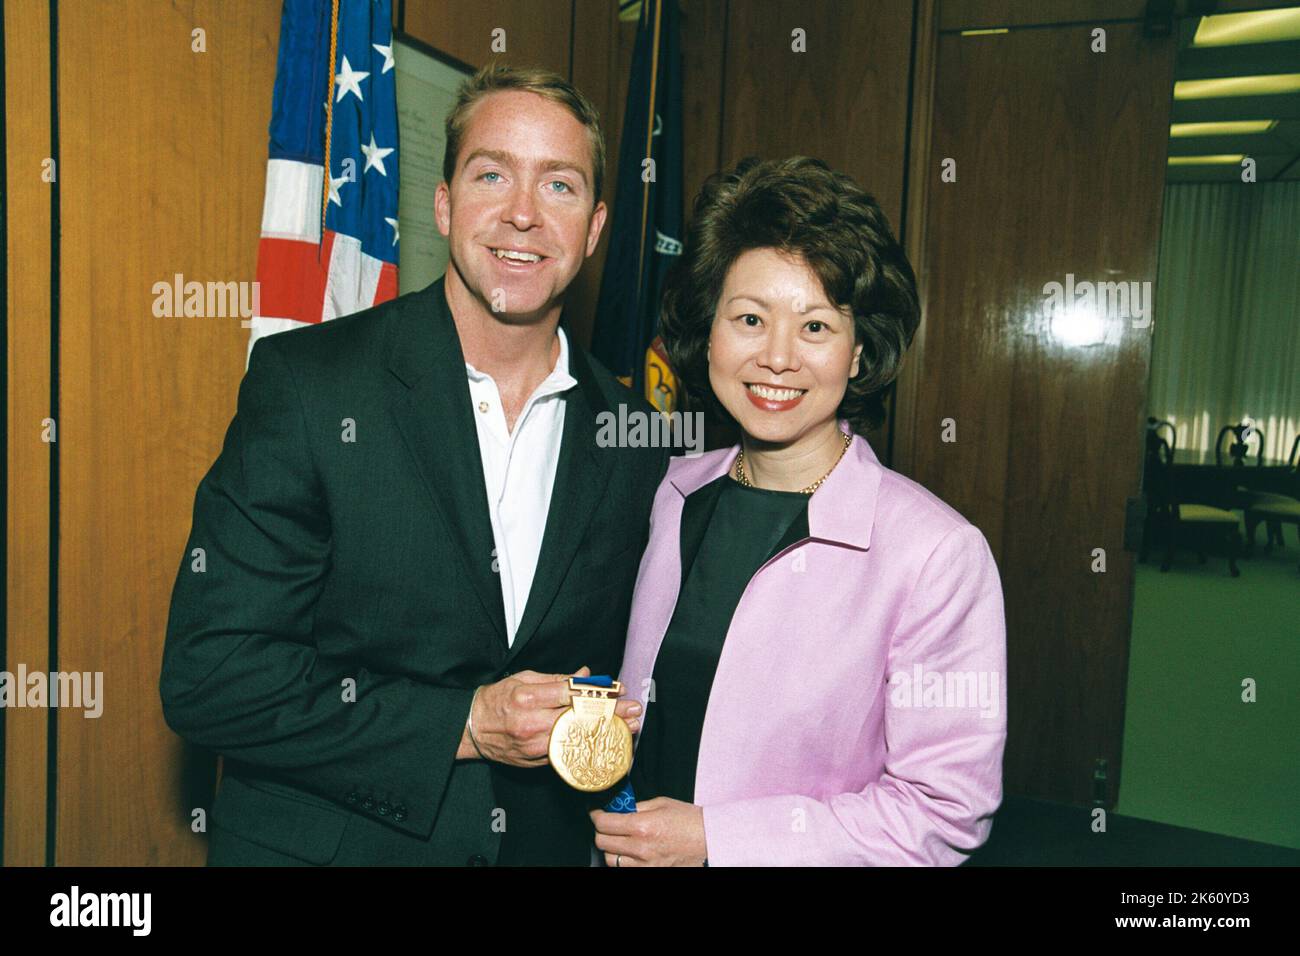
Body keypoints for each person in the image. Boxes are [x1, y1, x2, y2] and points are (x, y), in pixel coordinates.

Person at [160, 63, 666, 866]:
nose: (524, 214)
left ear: (596, 227)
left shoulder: (639, 439)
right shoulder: (309, 387)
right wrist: (462, 723)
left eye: (560, 186)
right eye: (492, 173)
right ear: (443, 204)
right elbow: (211, 675)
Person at [590, 156, 1007, 866]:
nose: (777, 357)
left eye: (815, 327)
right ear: (709, 333)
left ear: (858, 351)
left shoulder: (936, 554)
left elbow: (945, 814)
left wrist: (717, 841)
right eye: (749, 318)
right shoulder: (665, 492)